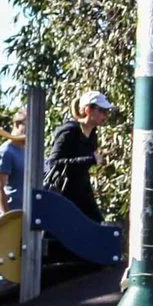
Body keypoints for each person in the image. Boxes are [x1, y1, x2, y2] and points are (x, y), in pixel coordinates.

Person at [47, 91, 114, 220]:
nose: (106, 115)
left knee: (99, 226)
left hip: (81, 194)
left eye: (107, 111)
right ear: (88, 110)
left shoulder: (93, 137)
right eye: (102, 110)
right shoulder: (69, 132)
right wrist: (90, 159)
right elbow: (54, 163)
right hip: (62, 196)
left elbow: (82, 174)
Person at [0, 112, 29, 216]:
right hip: (9, 220)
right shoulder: (5, 152)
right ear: (17, 125)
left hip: (26, 218)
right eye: (29, 125)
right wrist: (7, 218)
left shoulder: (29, 152)